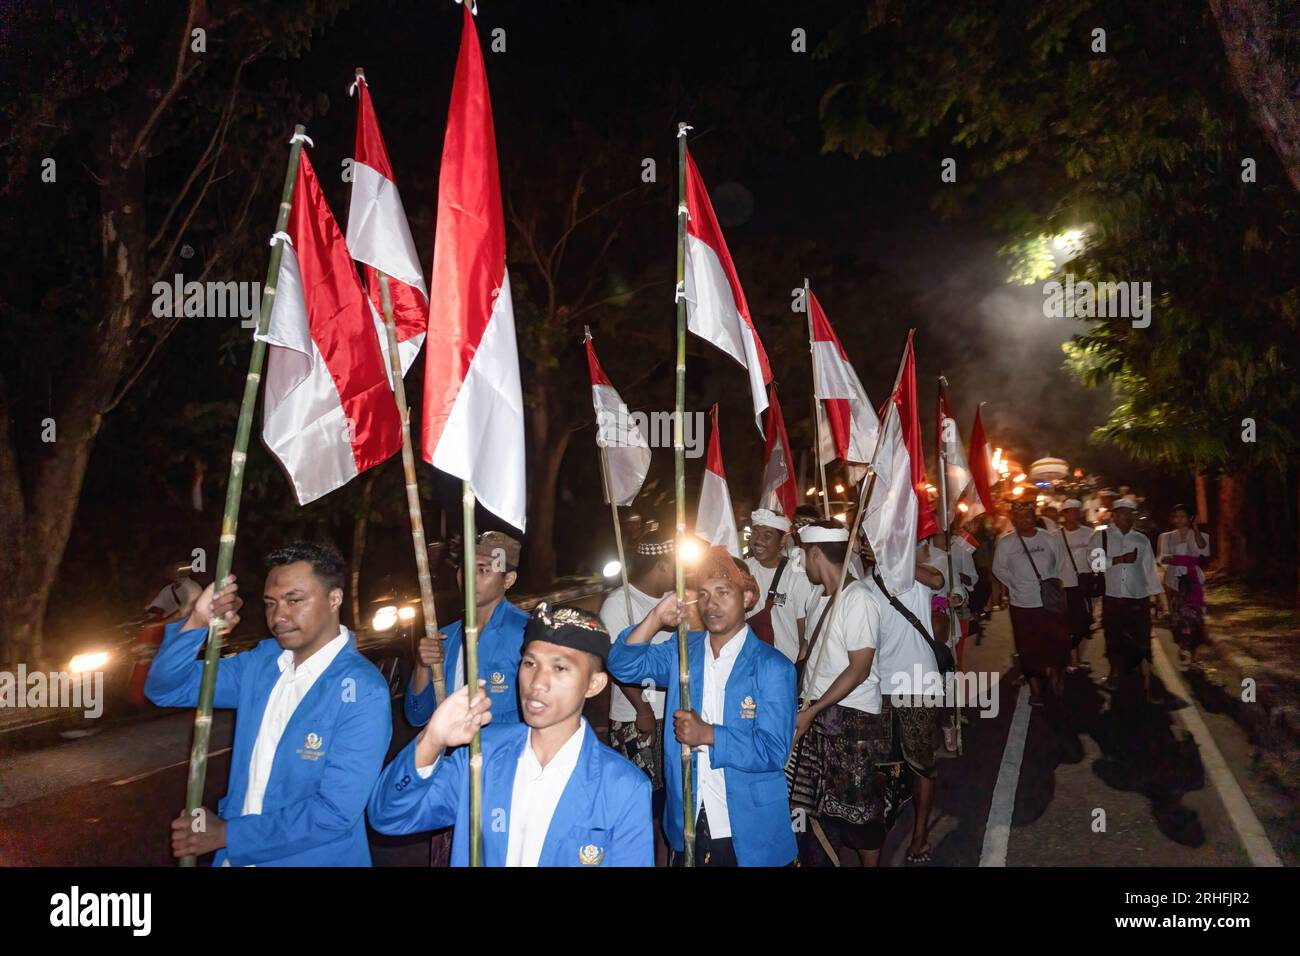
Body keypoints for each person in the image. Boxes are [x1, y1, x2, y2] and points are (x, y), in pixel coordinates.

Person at [146, 542, 392, 866]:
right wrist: (197, 623)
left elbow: (333, 814)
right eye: (270, 603)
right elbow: (167, 688)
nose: (278, 616)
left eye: (294, 600)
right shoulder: (261, 665)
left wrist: (227, 836)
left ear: (334, 599)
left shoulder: (363, 689)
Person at [367, 604, 653, 866]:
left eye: (560, 668)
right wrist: (432, 739)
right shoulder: (483, 756)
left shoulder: (623, 788)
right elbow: (388, 816)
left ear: (594, 684)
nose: (537, 682)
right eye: (530, 664)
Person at [609, 546, 797, 867]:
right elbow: (622, 665)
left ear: (748, 597)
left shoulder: (773, 667)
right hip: (688, 817)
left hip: (746, 825)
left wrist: (709, 734)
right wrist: (656, 618)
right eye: (705, 594)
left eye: (723, 592)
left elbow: (774, 751)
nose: (712, 604)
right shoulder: (682, 651)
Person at [788, 522, 903, 866]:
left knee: (860, 810)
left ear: (815, 553)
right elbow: (809, 654)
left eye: (803, 556)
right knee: (818, 809)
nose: (802, 565)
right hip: (818, 716)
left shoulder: (858, 600)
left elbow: (860, 668)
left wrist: (813, 710)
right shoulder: (816, 596)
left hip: (853, 721)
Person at [862, 536, 945, 865]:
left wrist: (891, 557)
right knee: (883, 764)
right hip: (879, 686)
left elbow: (938, 579)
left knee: (922, 764)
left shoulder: (913, 574)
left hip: (918, 684)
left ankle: (920, 835)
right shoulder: (864, 587)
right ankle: (886, 820)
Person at [598, 530, 675, 864]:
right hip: (635, 719)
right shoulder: (619, 602)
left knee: (669, 802)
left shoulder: (672, 597)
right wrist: (642, 709)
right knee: (643, 802)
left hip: (669, 713)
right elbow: (617, 663)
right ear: (662, 564)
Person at [406, 531, 527, 727]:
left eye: (483, 570)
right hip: (453, 755)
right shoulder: (447, 637)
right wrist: (422, 665)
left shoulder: (525, 635)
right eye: (465, 568)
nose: (470, 578)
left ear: (508, 579)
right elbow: (418, 716)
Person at [992, 500, 1071, 706]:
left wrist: (1051, 581)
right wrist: (1014, 584)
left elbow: (1060, 561)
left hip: (1049, 603)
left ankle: (1056, 676)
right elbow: (998, 568)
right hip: (1023, 604)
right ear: (1014, 520)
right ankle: (1036, 688)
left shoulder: (1049, 538)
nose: (1024, 520)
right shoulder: (1006, 543)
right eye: (1019, 517)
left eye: (1028, 515)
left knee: (1057, 642)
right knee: (1028, 647)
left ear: (1034, 517)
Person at [1091, 497, 1168, 701]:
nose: (1127, 517)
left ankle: (1147, 684)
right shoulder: (1102, 538)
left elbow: (1150, 571)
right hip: (1114, 598)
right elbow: (1095, 564)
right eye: (1123, 513)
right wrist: (1119, 559)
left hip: (1138, 598)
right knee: (1113, 639)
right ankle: (1115, 673)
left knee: (1143, 641)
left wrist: (1160, 599)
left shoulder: (1141, 539)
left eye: (1130, 514)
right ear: (1114, 516)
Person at [745, 509, 816, 663]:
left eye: (767, 536)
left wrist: (798, 671)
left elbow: (805, 634)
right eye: (755, 533)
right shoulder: (743, 570)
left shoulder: (796, 576)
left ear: (783, 541)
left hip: (785, 665)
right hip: (750, 665)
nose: (758, 540)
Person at [1156, 505, 1211, 663]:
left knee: (1195, 616)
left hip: (1193, 579)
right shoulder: (1166, 537)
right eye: (1177, 516)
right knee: (1179, 617)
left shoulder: (1199, 535)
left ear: (1190, 518)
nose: (1180, 520)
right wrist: (1178, 560)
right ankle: (1183, 646)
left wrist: (1196, 530)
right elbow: (1162, 558)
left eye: (1183, 516)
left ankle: (1195, 656)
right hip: (1175, 580)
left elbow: (1203, 549)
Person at [1058, 499, 1097, 671]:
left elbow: (1098, 556)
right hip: (1064, 585)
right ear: (1064, 514)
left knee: (1085, 622)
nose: (1073, 515)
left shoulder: (1089, 533)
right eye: (1069, 511)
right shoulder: (1054, 536)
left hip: (1084, 584)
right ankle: (1073, 660)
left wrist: (1099, 573)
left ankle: (1073, 658)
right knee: (1070, 623)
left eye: (1076, 511)